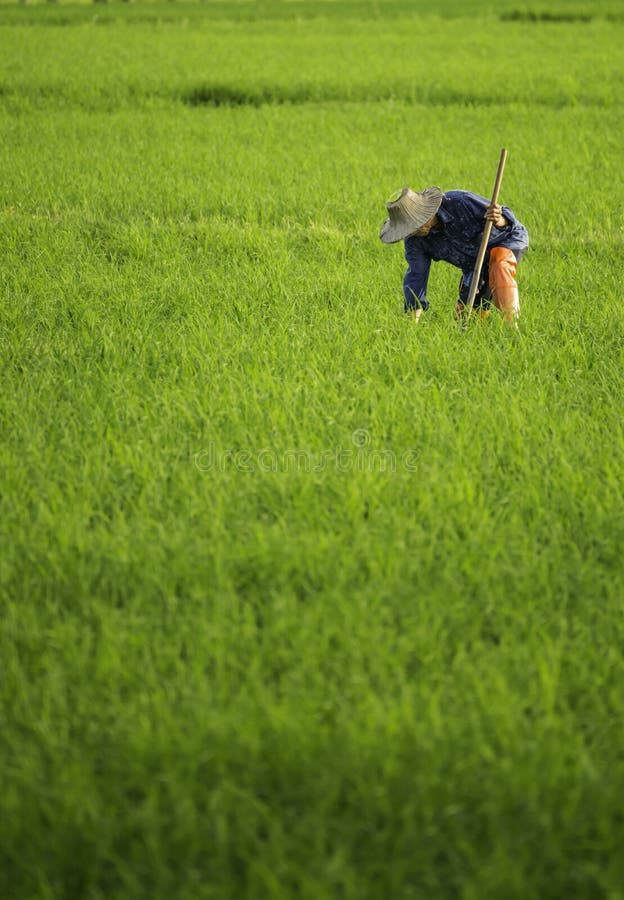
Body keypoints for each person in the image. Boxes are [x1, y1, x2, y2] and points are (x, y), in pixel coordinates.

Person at [379, 185, 529, 324]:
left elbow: (509, 220)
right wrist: (412, 324)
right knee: (466, 320)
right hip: (474, 265)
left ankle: (512, 327)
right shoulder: (415, 241)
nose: (415, 231)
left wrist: (499, 219)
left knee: (499, 264)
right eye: (410, 229)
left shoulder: (459, 202)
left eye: (416, 224)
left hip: (505, 240)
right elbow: (416, 278)